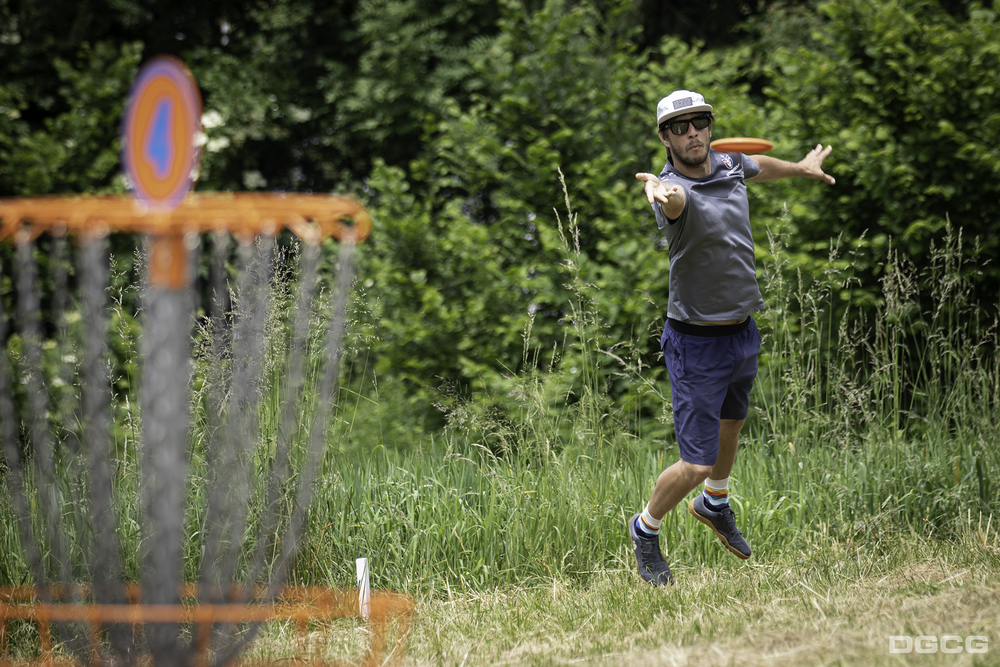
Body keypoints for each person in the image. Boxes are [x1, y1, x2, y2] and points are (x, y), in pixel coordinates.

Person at [629, 90, 835, 586]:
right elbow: (672, 198)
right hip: (695, 342)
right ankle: (645, 528)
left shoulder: (727, 163)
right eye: (680, 127)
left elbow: (756, 164)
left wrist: (802, 169)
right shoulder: (673, 189)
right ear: (665, 138)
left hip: (742, 330)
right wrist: (660, 192)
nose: (692, 132)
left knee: (731, 427)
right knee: (697, 461)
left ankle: (715, 504)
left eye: (699, 122)